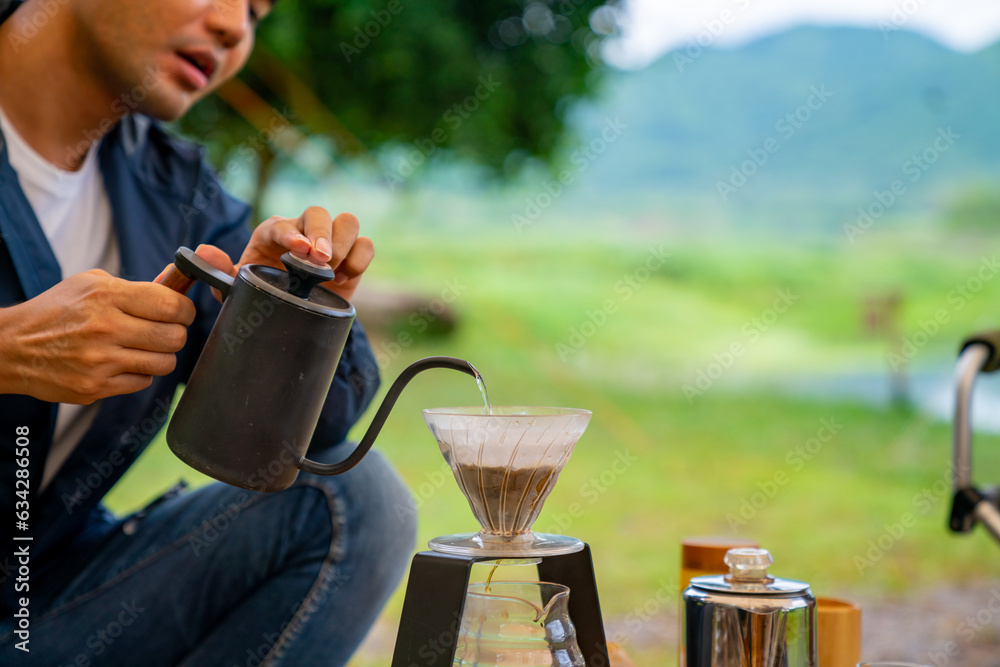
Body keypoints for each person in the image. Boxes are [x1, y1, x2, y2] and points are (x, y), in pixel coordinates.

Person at [0, 0, 416, 664]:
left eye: (257, 11)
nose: (233, 28)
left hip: (41, 608)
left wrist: (288, 320)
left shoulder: (177, 192)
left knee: (353, 501)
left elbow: (325, 427)